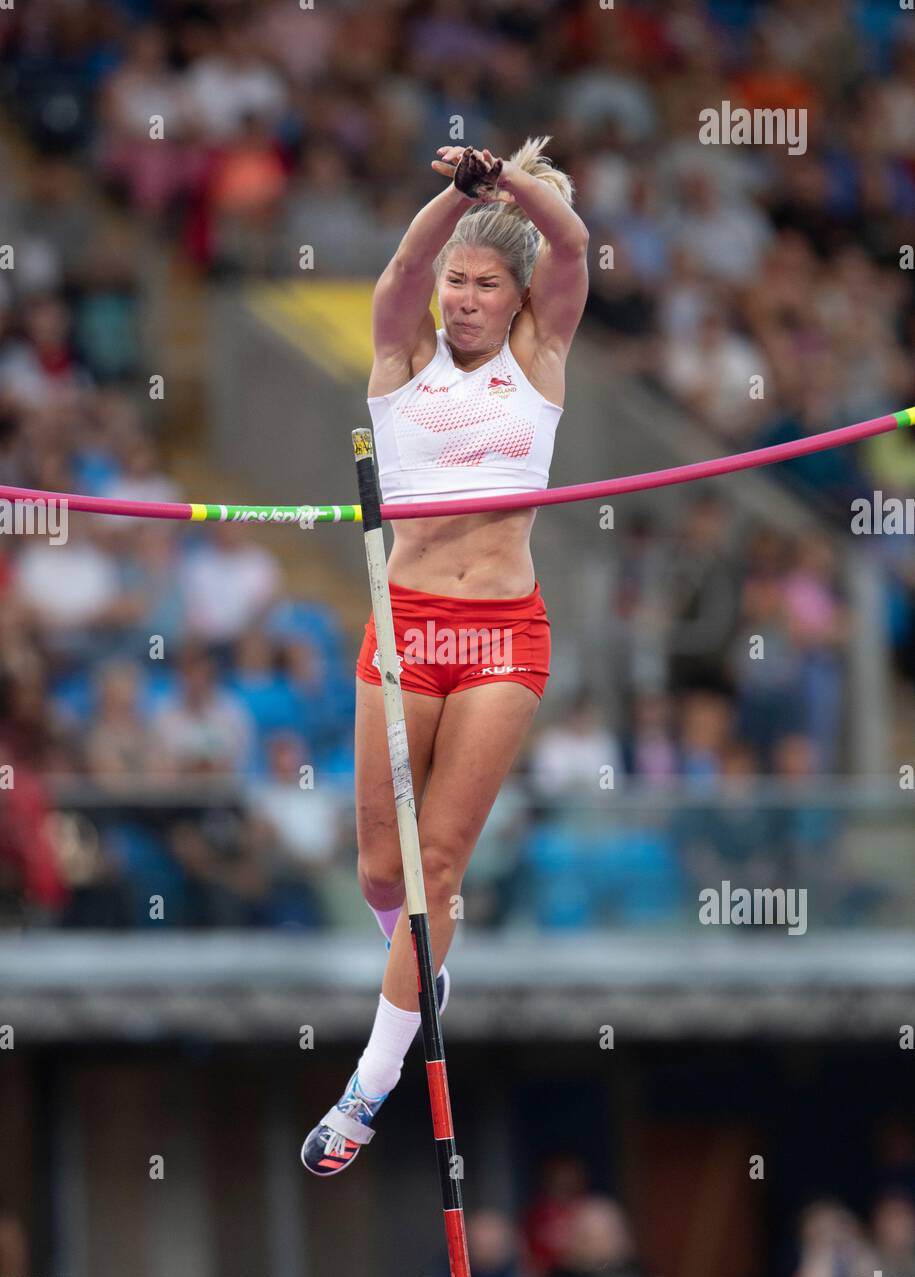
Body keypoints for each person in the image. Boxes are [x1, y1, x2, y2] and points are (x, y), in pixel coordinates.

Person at [302, 138, 589, 1175]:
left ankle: (362, 1095)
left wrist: (503, 183)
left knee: (437, 869)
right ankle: (423, 969)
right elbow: (397, 276)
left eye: (484, 285)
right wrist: (452, 199)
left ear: (519, 301)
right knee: (386, 872)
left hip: (502, 633)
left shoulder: (541, 359)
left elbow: (571, 242)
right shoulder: (399, 362)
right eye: (456, 282)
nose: (463, 299)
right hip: (406, 623)